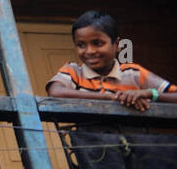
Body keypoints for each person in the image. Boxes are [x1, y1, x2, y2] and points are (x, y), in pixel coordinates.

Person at [46, 10, 177, 112]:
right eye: (81, 45)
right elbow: (56, 92)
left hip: (136, 143)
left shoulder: (133, 73)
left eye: (97, 43)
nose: (89, 51)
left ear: (117, 44)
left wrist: (148, 93)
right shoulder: (73, 71)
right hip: (90, 143)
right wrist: (110, 97)